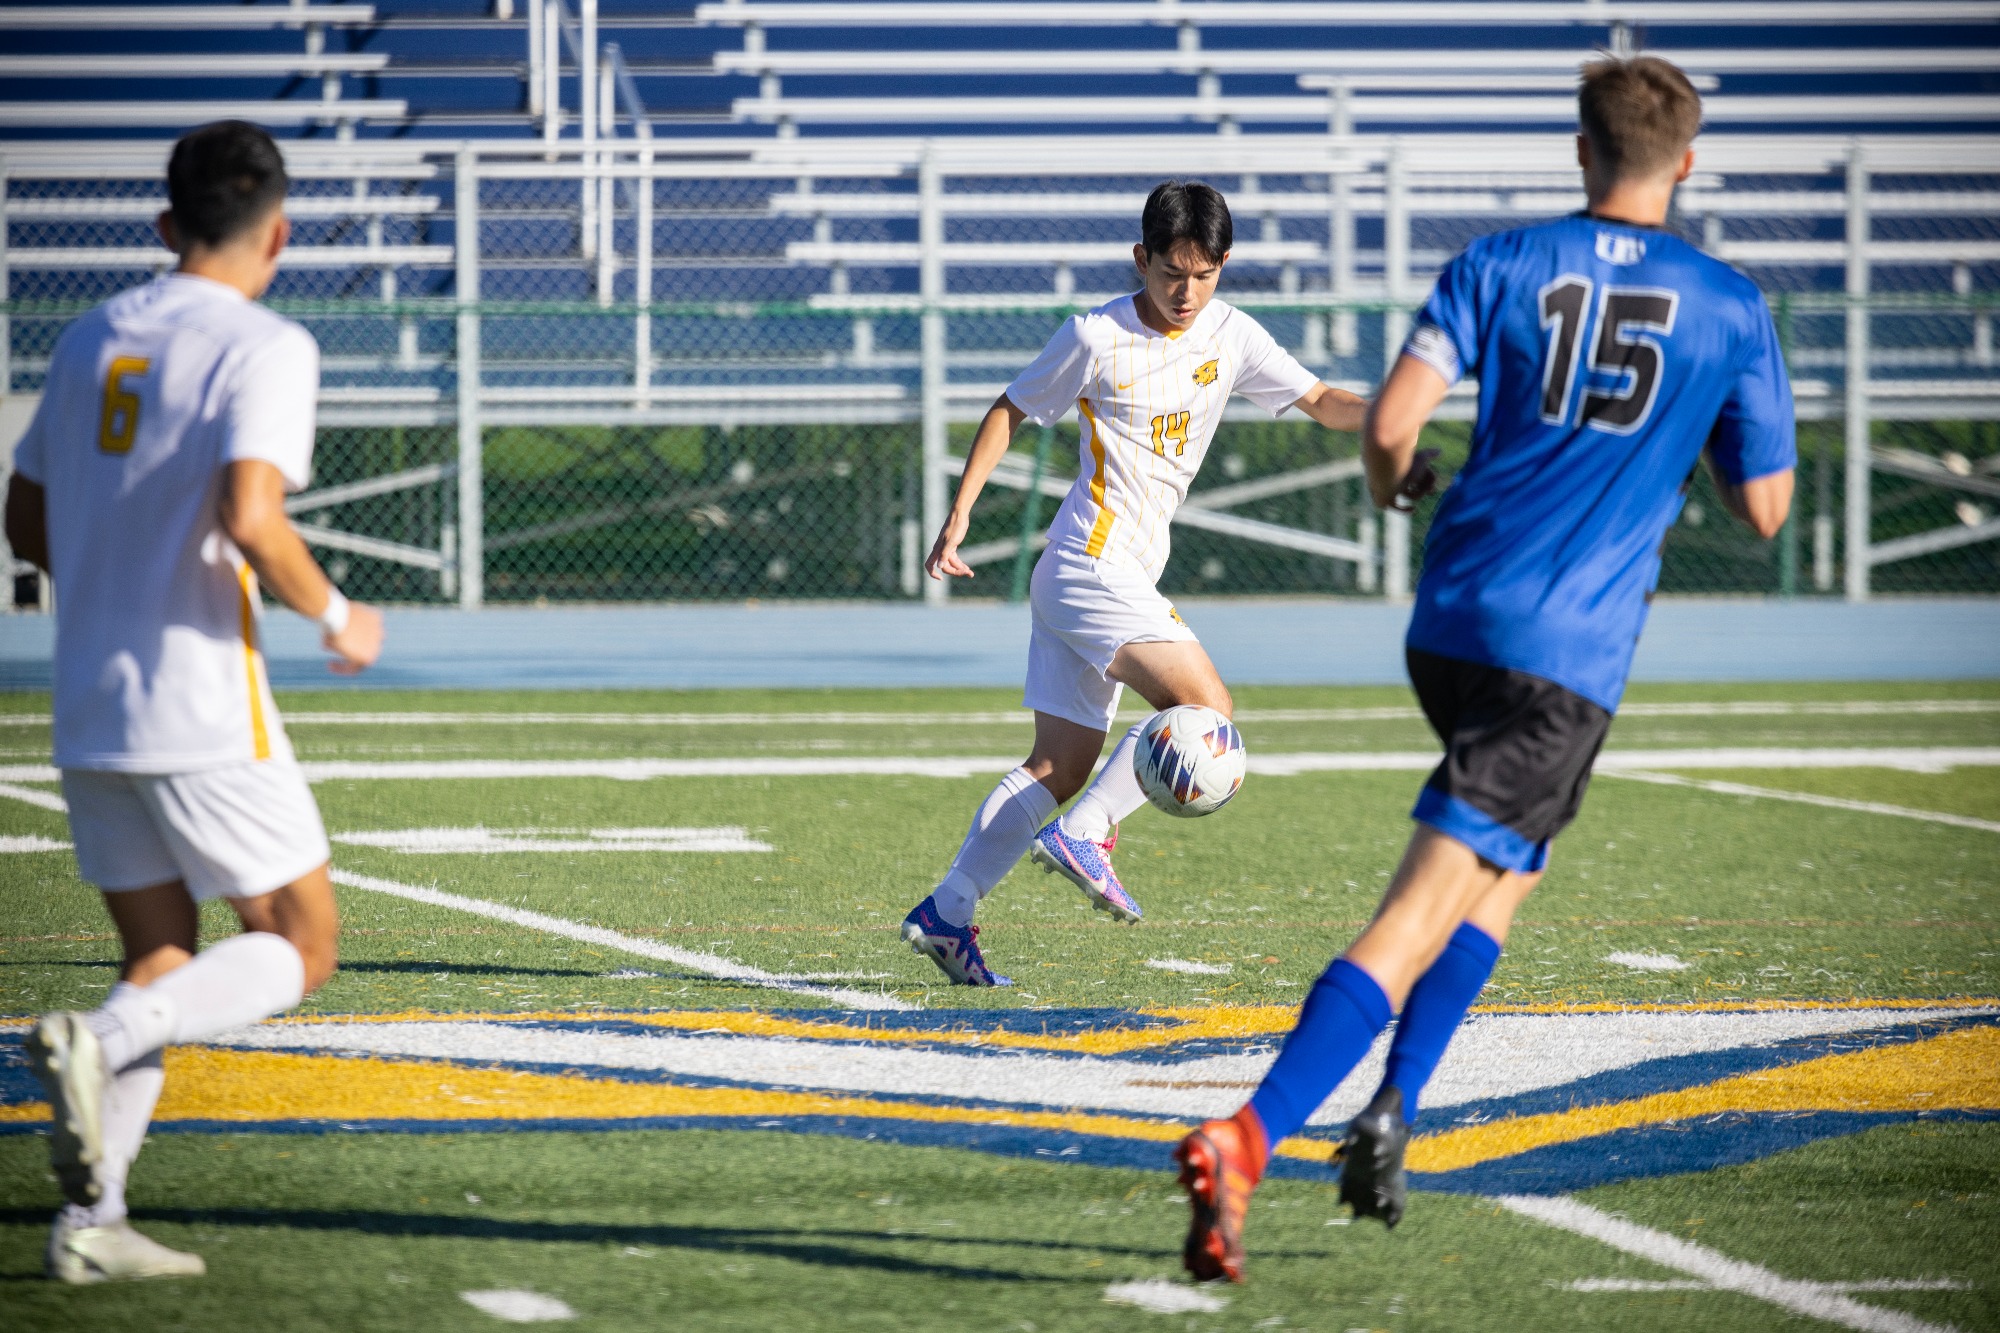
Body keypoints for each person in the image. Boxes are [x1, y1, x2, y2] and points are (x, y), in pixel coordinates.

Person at [1174, 56, 1796, 1281]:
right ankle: (1245, 1136)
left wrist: (1392, 482)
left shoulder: (1495, 263)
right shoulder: (1727, 306)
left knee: (1507, 871)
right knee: (1416, 916)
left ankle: (1391, 1112)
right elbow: (1764, 509)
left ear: (1579, 153)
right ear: (1685, 164)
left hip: (1449, 618)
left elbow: (1395, 428)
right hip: (1563, 655)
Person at [5, 120, 384, 1284]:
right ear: (277, 232)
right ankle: (93, 1043)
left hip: (84, 698)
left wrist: (115, 577)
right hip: (202, 698)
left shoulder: (85, 335)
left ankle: (93, 1224)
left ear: (166, 226)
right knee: (301, 943)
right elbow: (251, 513)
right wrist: (335, 616)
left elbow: (22, 520)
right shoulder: (264, 343)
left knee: (163, 953)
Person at [901, 180, 1381, 986]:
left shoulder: (1231, 335)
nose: (1185, 292)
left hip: (1094, 573)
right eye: (1169, 273)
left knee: (1058, 765)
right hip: (1092, 564)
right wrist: (959, 515)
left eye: (1203, 274)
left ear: (1223, 266)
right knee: (1208, 708)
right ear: (1141, 259)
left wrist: (1392, 416)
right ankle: (1088, 833)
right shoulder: (1096, 334)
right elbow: (1010, 409)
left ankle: (948, 910)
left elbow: (1322, 400)